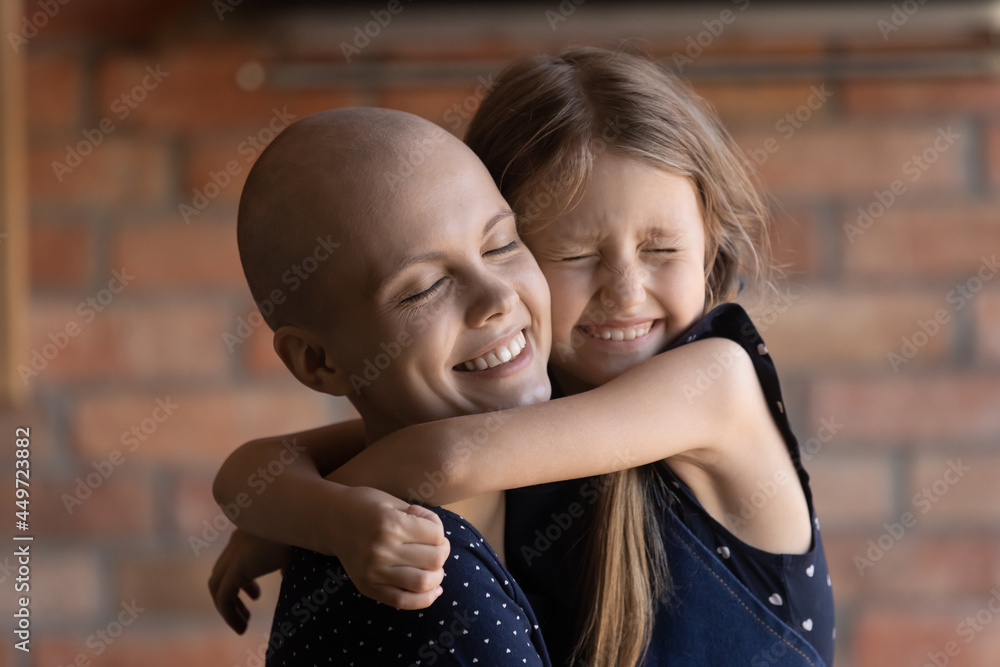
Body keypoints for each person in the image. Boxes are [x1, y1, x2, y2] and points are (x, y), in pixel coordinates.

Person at [213, 46, 835, 666]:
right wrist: (297, 516)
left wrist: (306, 521)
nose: (624, 290)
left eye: (662, 249)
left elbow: (446, 458)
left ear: (709, 243)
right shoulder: (539, 402)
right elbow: (260, 466)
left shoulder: (717, 384)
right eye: (574, 255)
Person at [227, 105, 553, 666]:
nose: (499, 298)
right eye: (424, 288)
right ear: (318, 361)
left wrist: (297, 515)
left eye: (501, 246)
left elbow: (252, 470)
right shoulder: (421, 588)